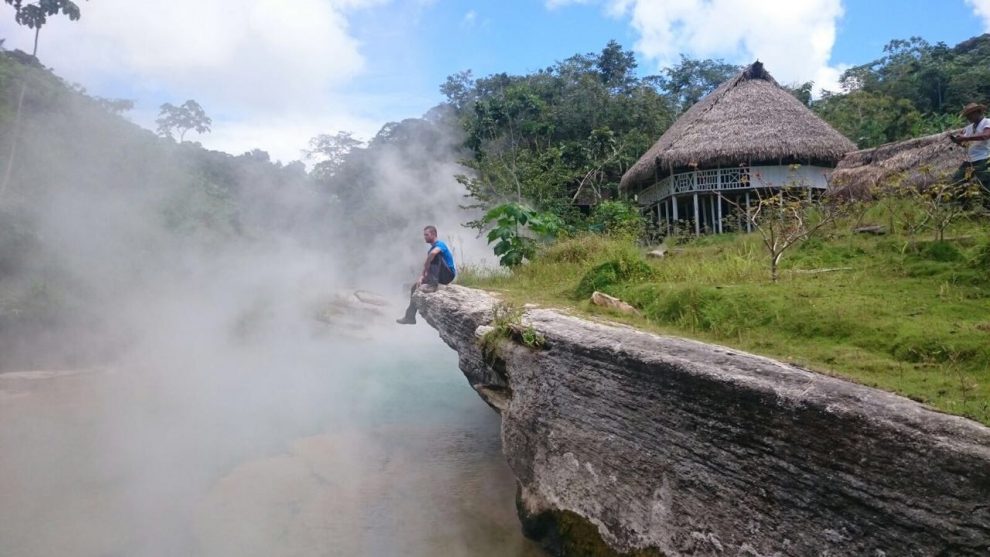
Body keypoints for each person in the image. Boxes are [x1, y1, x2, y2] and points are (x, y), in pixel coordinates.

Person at [396, 225, 456, 325]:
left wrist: (426, 265)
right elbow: (431, 266)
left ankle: (433, 284)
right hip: (439, 275)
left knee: (434, 256)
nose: (424, 237)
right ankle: (410, 317)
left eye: (426, 235)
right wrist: (422, 277)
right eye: (424, 235)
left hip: (448, 275)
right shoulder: (431, 249)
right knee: (415, 287)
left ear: (433, 234)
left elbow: (433, 254)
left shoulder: (440, 244)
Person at [949, 102, 990, 196]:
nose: (968, 117)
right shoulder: (968, 128)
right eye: (967, 116)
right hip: (969, 160)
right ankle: (961, 202)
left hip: (983, 158)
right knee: (957, 181)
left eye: (970, 114)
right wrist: (958, 141)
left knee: (984, 184)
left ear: (978, 112)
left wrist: (966, 138)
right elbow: (967, 145)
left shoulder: (987, 122)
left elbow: (986, 136)